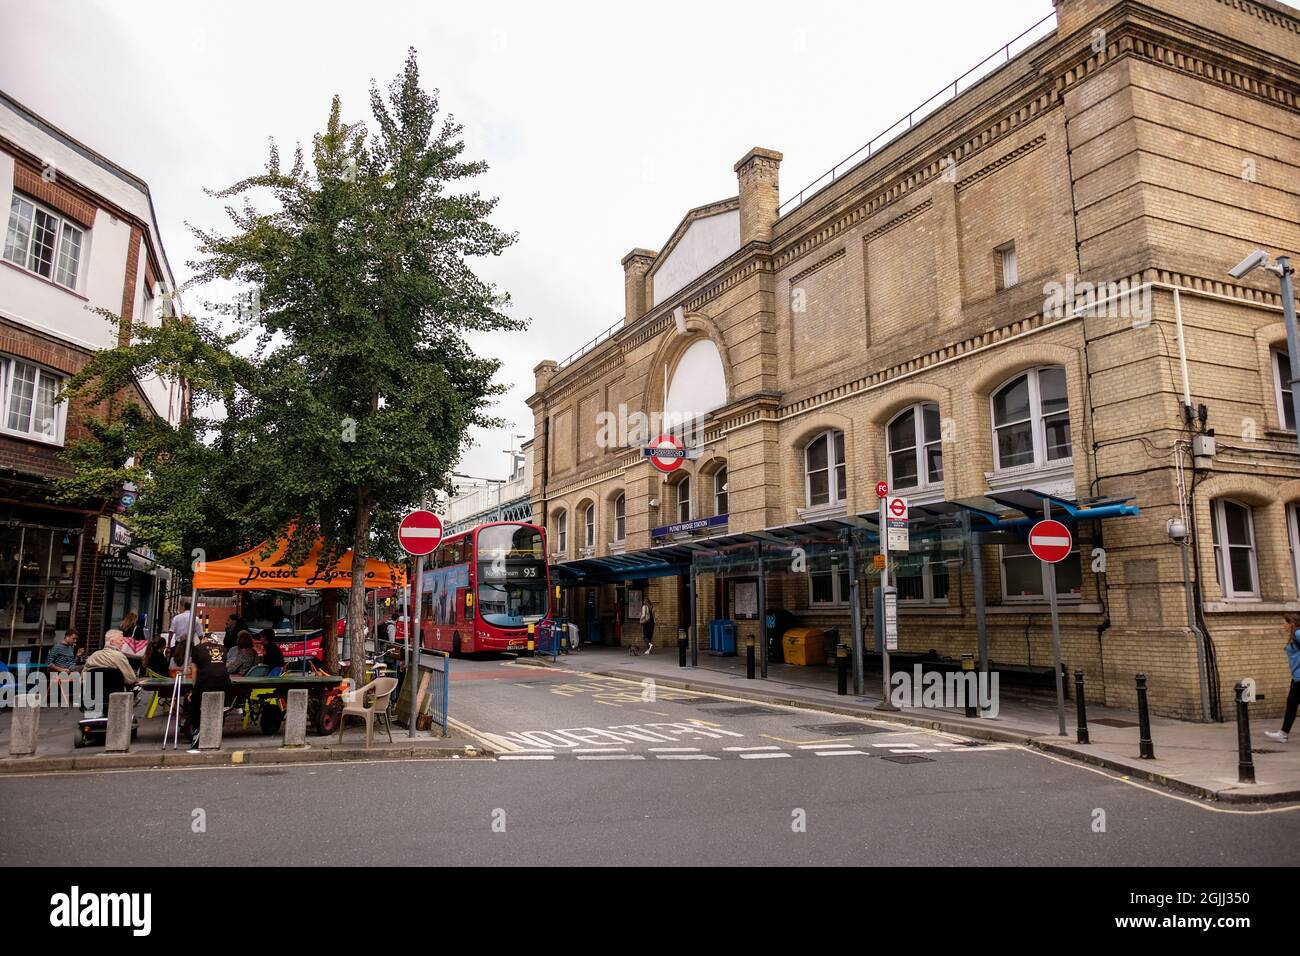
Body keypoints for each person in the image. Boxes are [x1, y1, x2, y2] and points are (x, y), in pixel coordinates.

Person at [186, 637, 232, 751]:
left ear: (205, 639)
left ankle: (196, 730)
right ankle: (215, 729)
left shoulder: (196, 649)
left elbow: (195, 671)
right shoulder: (224, 649)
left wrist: (193, 689)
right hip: (224, 683)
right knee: (218, 704)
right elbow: (221, 667)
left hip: (205, 681)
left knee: (194, 703)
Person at [1265, 612, 1300, 743]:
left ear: (1291, 624)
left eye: (1284, 623)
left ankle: (1283, 733)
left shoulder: (1297, 634)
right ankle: (1283, 733)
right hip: (1296, 677)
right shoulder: (1294, 636)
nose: (1283, 625)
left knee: (1292, 704)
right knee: (1291, 704)